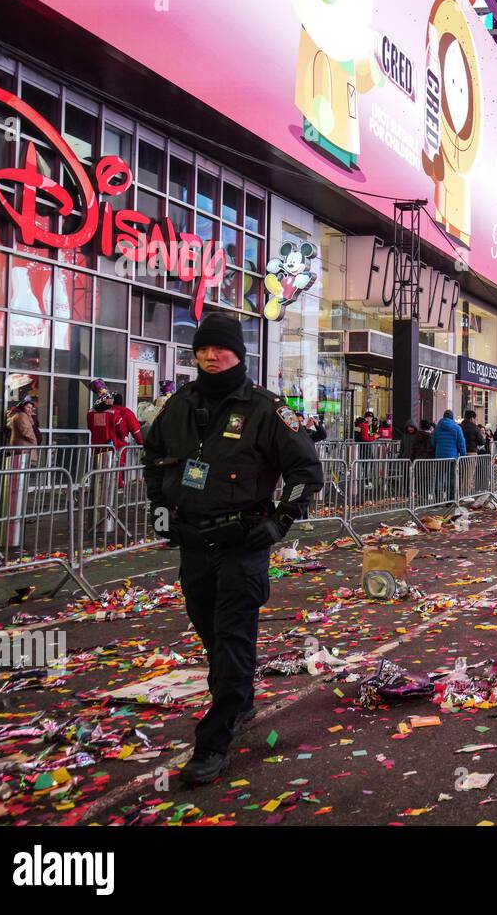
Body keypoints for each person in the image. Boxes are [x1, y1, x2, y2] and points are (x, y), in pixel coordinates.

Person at [143, 312, 323, 785]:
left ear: (238, 354)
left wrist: (281, 521)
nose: (209, 356)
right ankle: (239, 700)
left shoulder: (267, 408)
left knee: (232, 637)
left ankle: (213, 741)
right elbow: (153, 458)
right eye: (202, 349)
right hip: (192, 542)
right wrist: (160, 507)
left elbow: (307, 471)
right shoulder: (177, 405)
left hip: (243, 544)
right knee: (209, 631)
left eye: (219, 349)